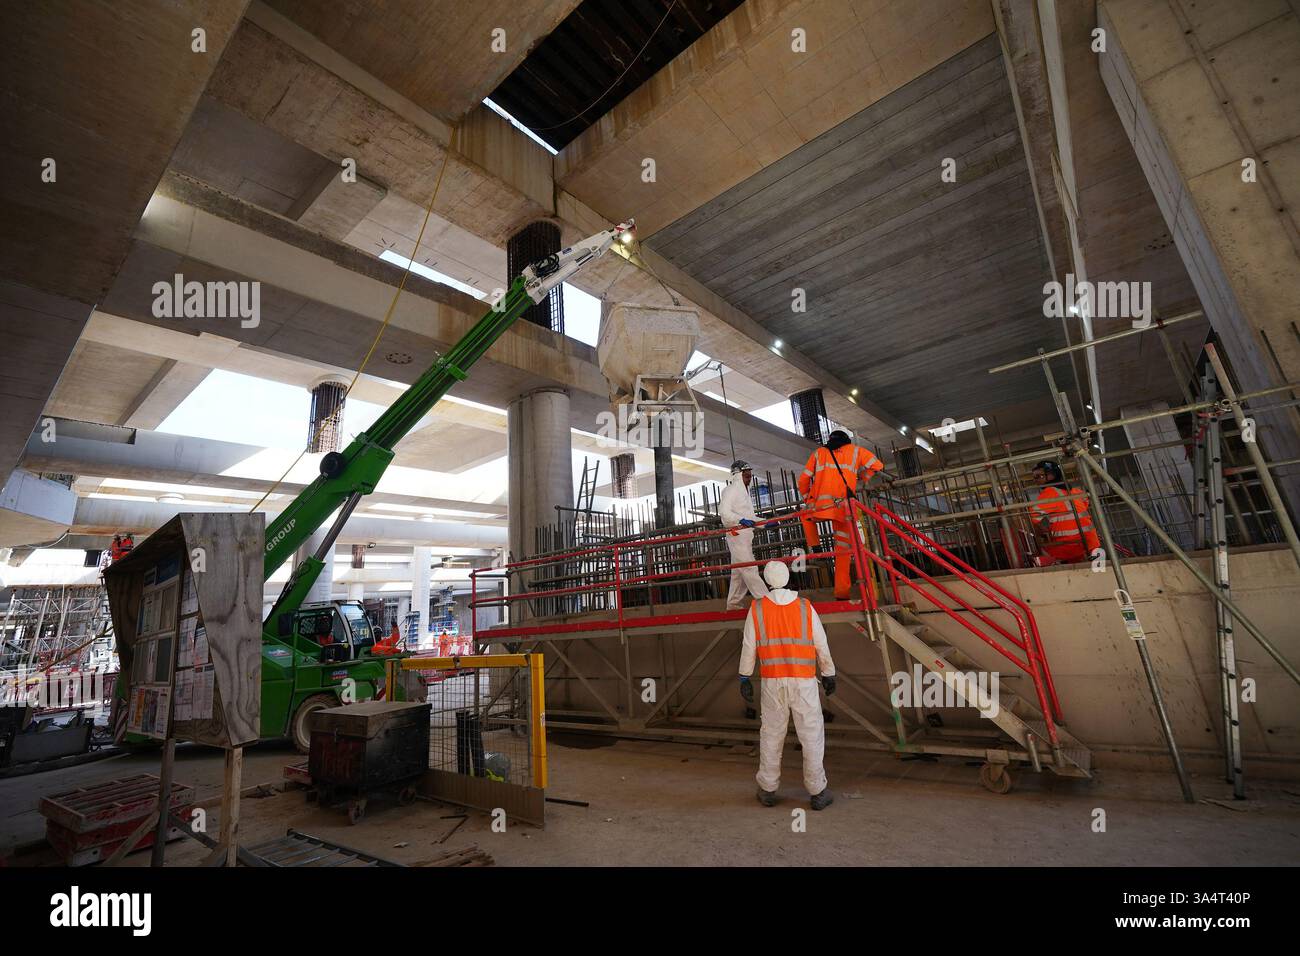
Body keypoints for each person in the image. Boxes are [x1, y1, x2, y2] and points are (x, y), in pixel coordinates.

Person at [739, 560, 837, 810]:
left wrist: (744, 676)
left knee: (771, 734)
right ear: (788, 578)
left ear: (767, 581)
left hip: (773, 683)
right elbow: (820, 642)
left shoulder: (757, 609)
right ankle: (817, 792)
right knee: (811, 735)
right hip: (803, 681)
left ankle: (768, 789)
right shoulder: (805, 607)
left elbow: (749, 645)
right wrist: (828, 672)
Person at [796, 430, 883, 598]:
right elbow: (878, 466)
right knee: (845, 549)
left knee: (805, 516)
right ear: (847, 440)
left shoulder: (819, 453)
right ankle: (849, 593)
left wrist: (808, 498)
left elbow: (803, 480)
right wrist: (862, 477)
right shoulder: (856, 451)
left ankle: (816, 549)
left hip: (820, 506)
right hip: (844, 508)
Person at [719, 460, 770, 611]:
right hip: (736, 534)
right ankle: (765, 600)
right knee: (749, 567)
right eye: (747, 477)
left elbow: (750, 518)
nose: (749, 480)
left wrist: (766, 523)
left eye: (750, 476)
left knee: (738, 572)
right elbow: (724, 512)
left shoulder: (745, 494)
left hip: (745, 537)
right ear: (738, 475)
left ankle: (733, 605)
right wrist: (739, 520)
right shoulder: (731, 490)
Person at [1029, 460, 1100, 564]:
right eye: (1034, 477)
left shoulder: (1050, 492)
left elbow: (1032, 516)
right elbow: (1084, 503)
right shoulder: (1074, 491)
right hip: (1091, 542)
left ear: (1051, 475)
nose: (1036, 480)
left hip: (1072, 545)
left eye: (1039, 476)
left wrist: (1041, 530)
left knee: (1038, 557)